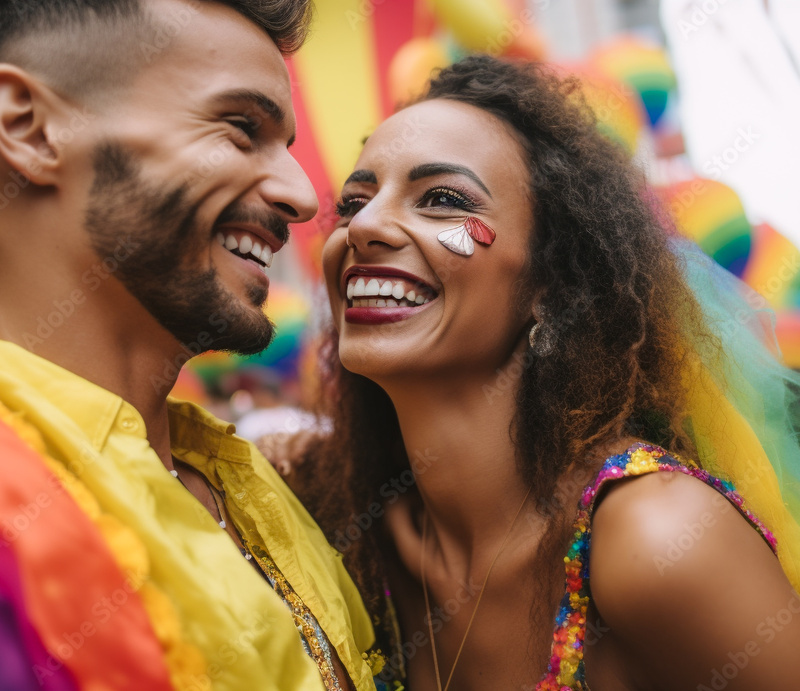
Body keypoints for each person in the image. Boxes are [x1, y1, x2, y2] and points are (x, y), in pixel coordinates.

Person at [0, 2, 385, 690]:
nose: (298, 194)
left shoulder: (263, 491)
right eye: (240, 129)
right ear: (31, 128)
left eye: (285, 144)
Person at [294, 56, 800, 690]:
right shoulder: (334, 521)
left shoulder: (655, 539)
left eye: (443, 199)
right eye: (353, 202)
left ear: (551, 283)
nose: (363, 227)